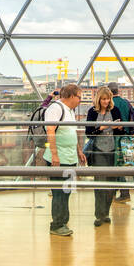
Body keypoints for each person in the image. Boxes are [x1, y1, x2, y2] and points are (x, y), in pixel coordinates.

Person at [43, 82, 84, 237]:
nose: (80, 100)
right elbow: (50, 131)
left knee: (66, 191)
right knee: (59, 192)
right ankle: (57, 224)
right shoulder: (56, 108)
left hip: (69, 158)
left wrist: (79, 150)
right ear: (71, 96)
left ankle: (63, 221)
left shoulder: (70, 110)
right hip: (59, 159)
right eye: (79, 97)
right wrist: (54, 154)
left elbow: (71, 132)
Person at [84, 86, 122, 227]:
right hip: (98, 150)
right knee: (100, 183)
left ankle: (105, 212)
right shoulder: (92, 112)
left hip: (112, 150)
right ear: (99, 99)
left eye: (108, 99)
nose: (106, 102)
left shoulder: (115, 110)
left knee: (110, 184)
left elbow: (120, 132)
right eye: (104, 99)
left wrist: (119, 128)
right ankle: (99, 215)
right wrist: (101, 128)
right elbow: (89, 133)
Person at [107, 82, 134, 203]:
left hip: (114, 139)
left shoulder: (110, 104)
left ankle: (122, 192)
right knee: (124, 165)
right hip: (126, 139)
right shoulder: (126, 103)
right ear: (118, 91)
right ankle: (118, 192)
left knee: (115, 165)